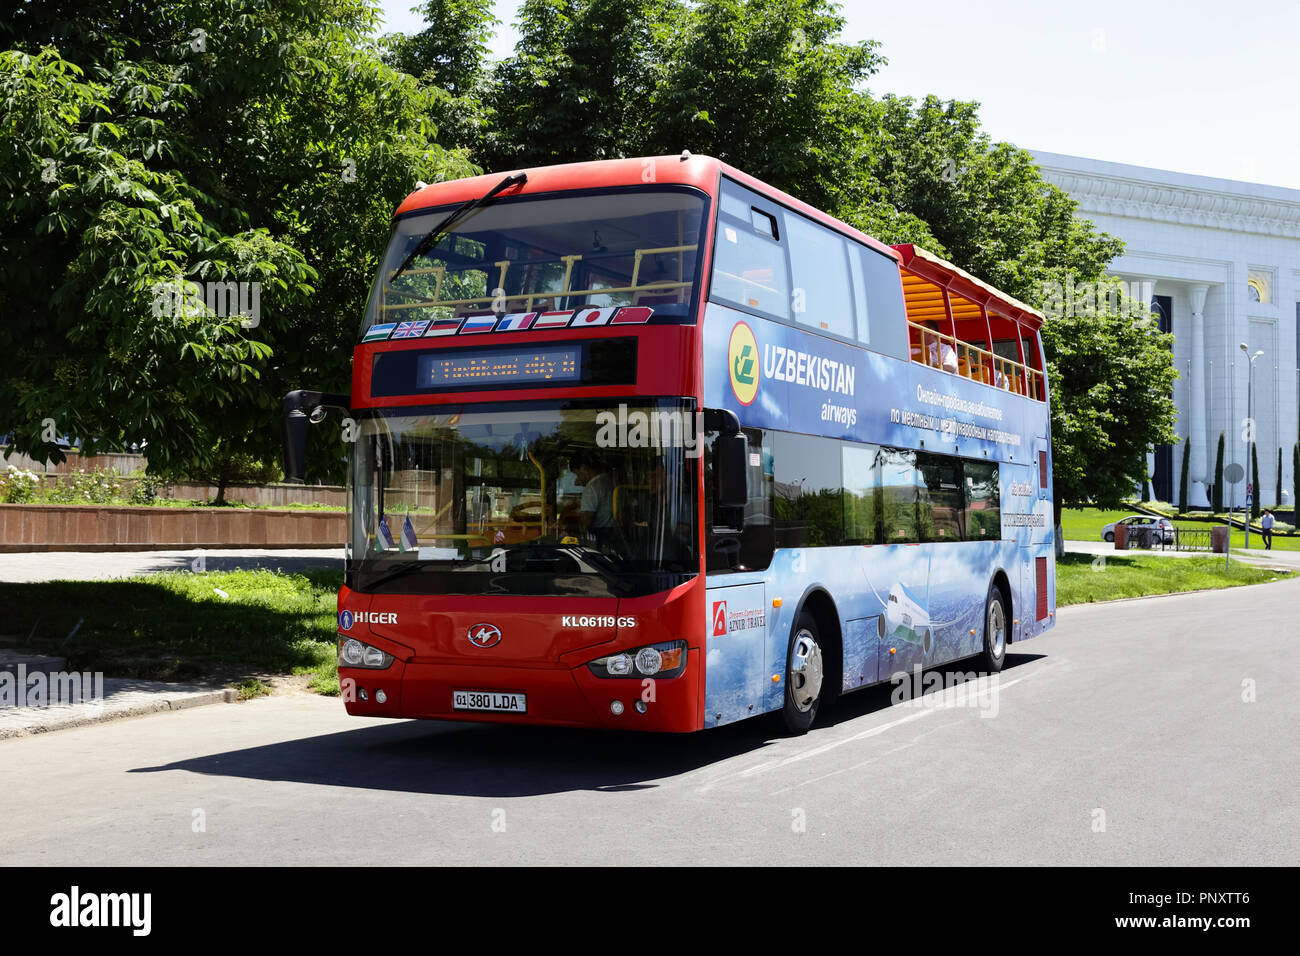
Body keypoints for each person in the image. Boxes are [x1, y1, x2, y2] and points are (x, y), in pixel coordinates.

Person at [569, 451, 618, 548]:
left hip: (602, 538)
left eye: (577, 474)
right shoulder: (611, 481)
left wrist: (569, 526)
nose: (577, 478)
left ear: (583, 468)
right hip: (618, 535)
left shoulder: (591, 488)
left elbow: (586, 520)